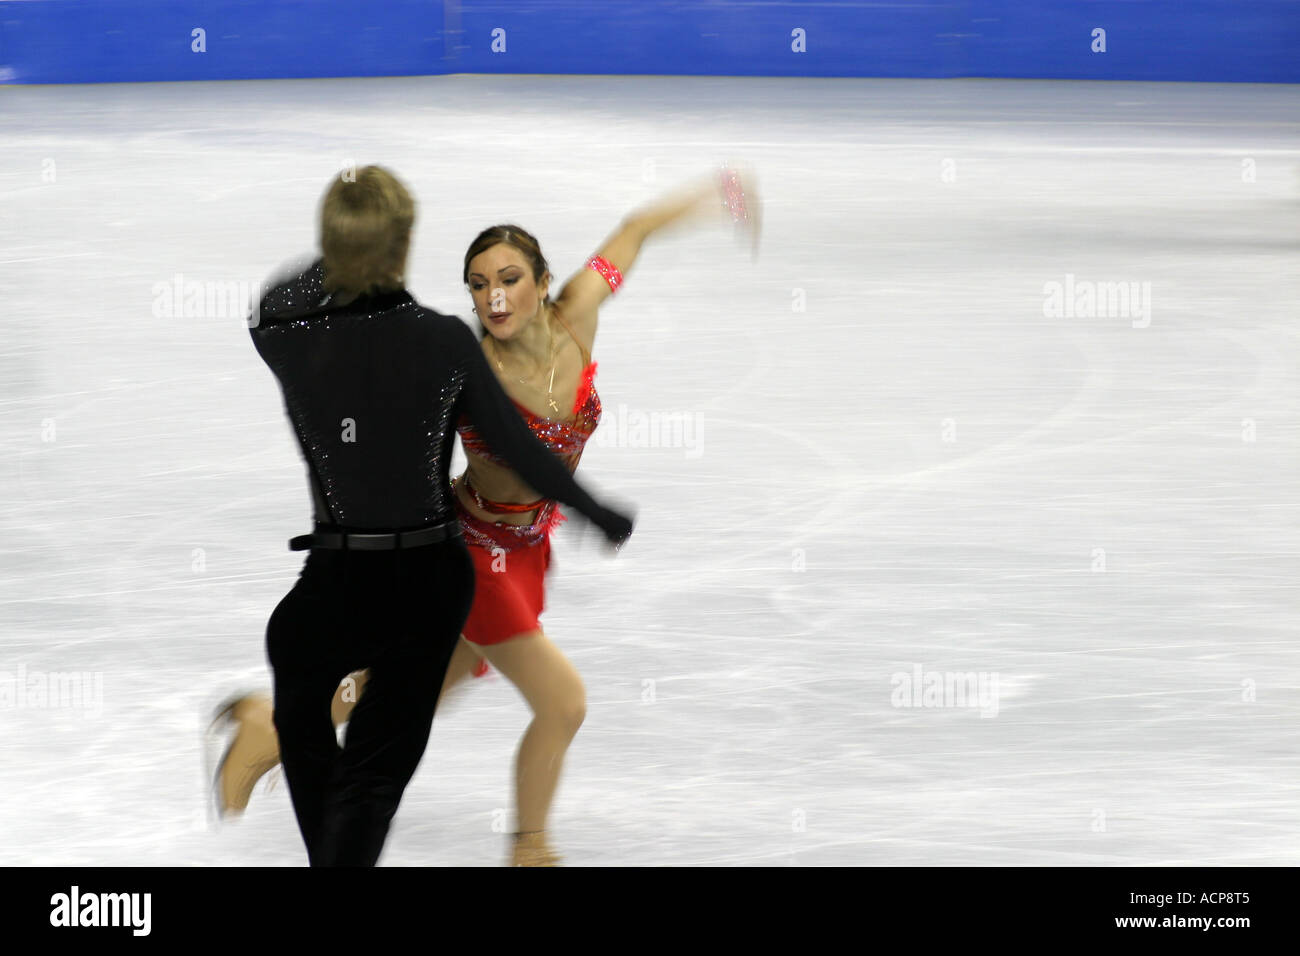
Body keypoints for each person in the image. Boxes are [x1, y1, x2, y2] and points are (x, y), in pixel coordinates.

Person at [216, 165, 757, 865]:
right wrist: (594, 508)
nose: (495, 297)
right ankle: (529, 843)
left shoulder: (580, 315)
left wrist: (723, 196)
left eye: (509, 279)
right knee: (562, 701)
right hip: (474, 549)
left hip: (528, 546)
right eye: (478, 284)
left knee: (425, 687)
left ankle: (274, 730)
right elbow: (490, 446)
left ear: (543, 281)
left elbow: (634, 232)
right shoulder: (471, 360)